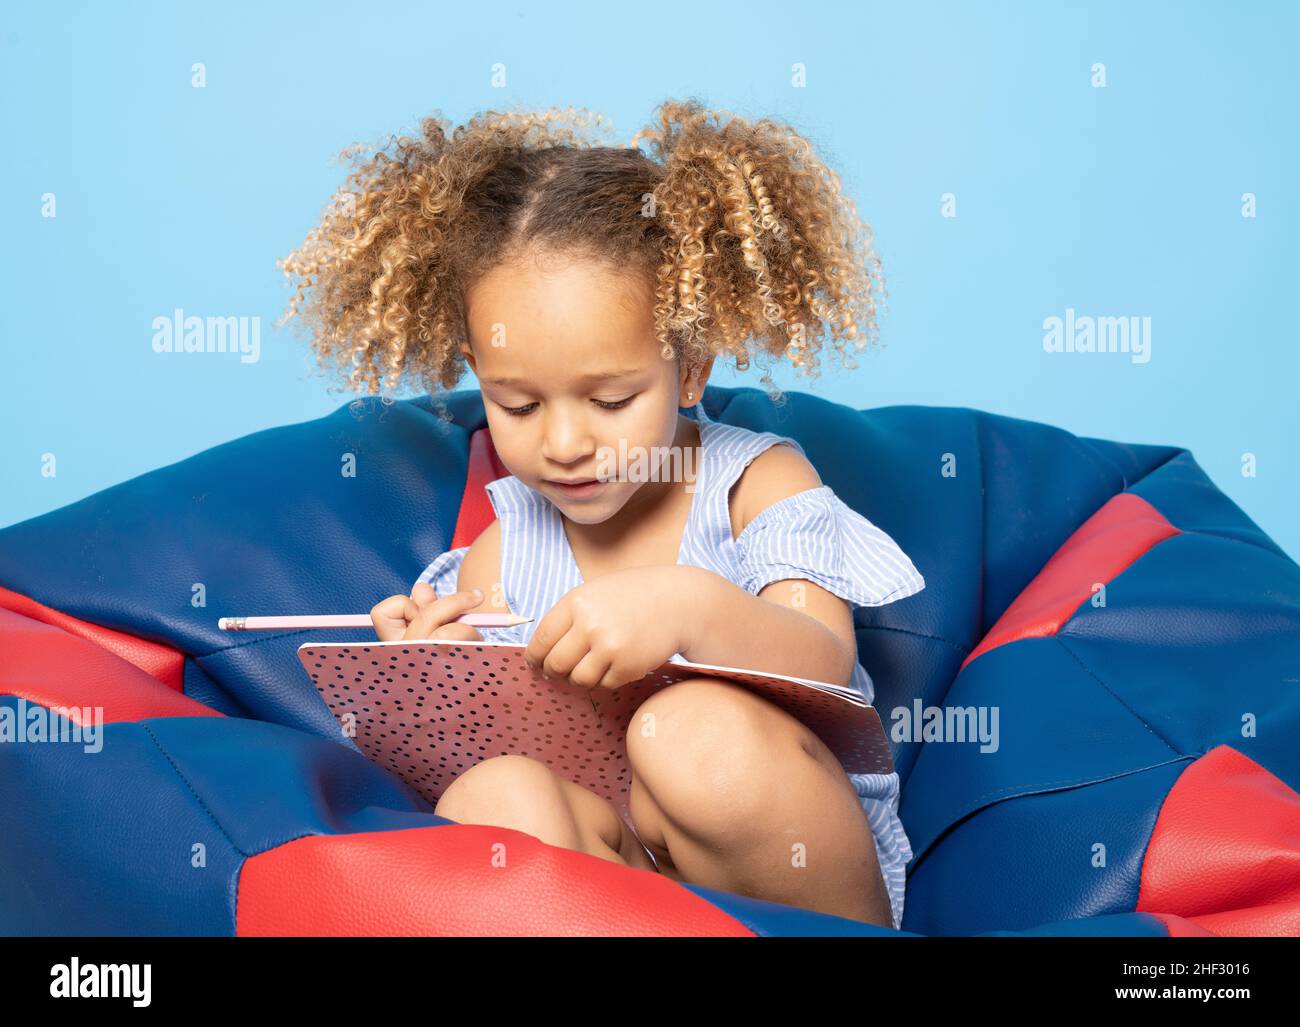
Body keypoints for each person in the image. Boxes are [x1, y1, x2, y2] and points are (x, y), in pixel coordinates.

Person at [277, 99, 925, 929]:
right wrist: (436, 674)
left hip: (783, 871)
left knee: (687, 733)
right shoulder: (502, 555)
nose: (565, 442)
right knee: (493, 793)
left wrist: (687, 605)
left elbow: (825, 658)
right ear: (479, 375)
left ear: (690, 367)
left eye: (611, 399)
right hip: (617, 889)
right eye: (517, 404)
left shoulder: (754, 483)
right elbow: (498, 750)